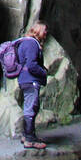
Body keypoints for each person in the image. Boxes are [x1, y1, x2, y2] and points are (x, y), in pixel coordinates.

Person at [17, 21, 49, 149]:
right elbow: (31, 65)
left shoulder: (25, 42)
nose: (46, 33)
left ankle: (27, 135)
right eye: (45, 30)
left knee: (30, 106)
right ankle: (30, 139)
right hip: (30, 80)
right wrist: (44, 72)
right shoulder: (31, 44)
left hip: (25, 79)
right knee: (31, 107)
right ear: (39, 31)